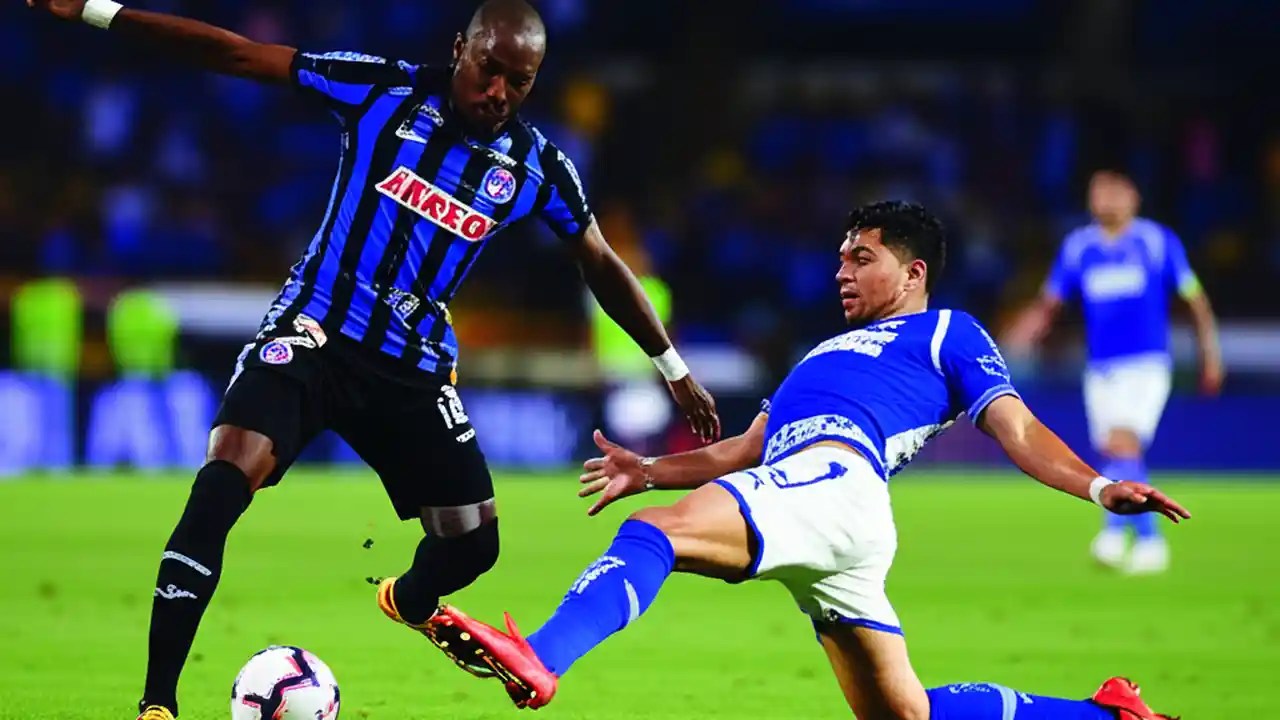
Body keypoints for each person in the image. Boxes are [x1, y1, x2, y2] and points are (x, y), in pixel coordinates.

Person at [22, 2, 721, 719]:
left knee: (474, 548)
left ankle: (409, 600)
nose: (499, 93)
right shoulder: (381, 91)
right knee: (220, 487)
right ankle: (157, 704)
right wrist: (97, 11)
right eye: (489, 70)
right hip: (315, 332)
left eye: (520, 81)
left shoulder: (537, 165)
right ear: (460, 49)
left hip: (411, 368)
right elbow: (236, 55)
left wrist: (673, 367)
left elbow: (600, 263)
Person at [416, 201, 1187, 720]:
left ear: (914, 273)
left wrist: (1097, 484)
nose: (842, 272)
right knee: (904, 712)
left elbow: (1016, 428)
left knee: (656, 536)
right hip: (829, 509)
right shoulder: (817, 355)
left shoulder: (947, 332)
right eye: (841, 259)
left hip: (837, 483)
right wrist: (646, 470)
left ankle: (540, 656)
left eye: (862, 258)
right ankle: (1104, 712)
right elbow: (746, 451)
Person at [1005, 169, 1221, 574]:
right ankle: (1141, 541)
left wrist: (1210, 354)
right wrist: (1025, 332)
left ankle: (1126, 538)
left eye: (1114, 191)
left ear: (1133, 197)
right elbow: (1050, 302)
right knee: (1114, 451)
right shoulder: (1078, 247)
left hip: (1146, 364)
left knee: (1122, 445)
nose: (1105, 199)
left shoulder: (1157, 242)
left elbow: (1194, 299)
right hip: (1100, 367)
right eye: (1097, 192)